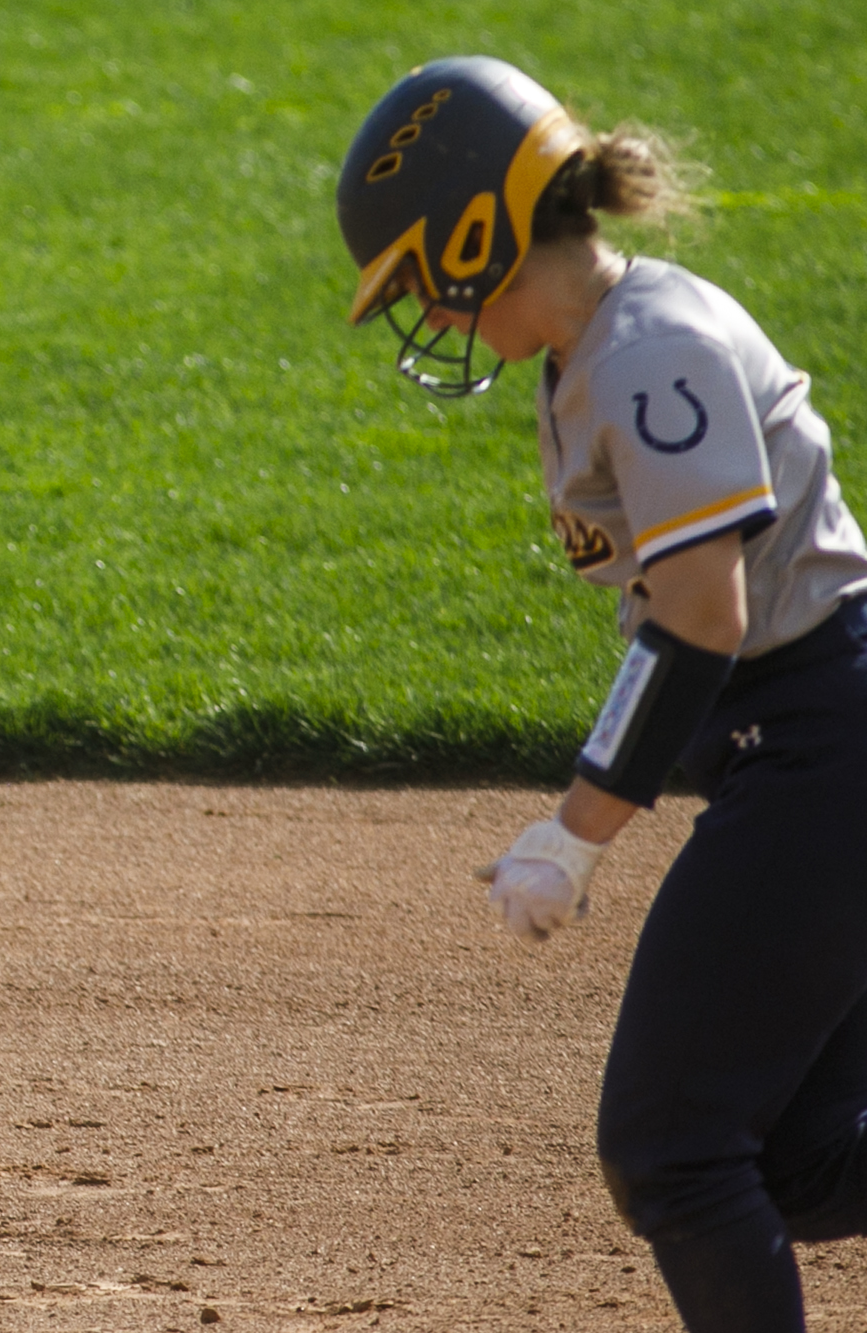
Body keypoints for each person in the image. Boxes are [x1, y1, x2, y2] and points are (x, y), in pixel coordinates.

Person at [338, 55, 867, 1333]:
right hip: (806, 739)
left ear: (478, 236)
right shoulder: (592, 354)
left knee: (674, 1147)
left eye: (417, 278)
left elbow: (701, 614)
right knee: (793, 1159)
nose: (426, 310)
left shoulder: (650, 354)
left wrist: (574, 834)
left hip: (825, 735)